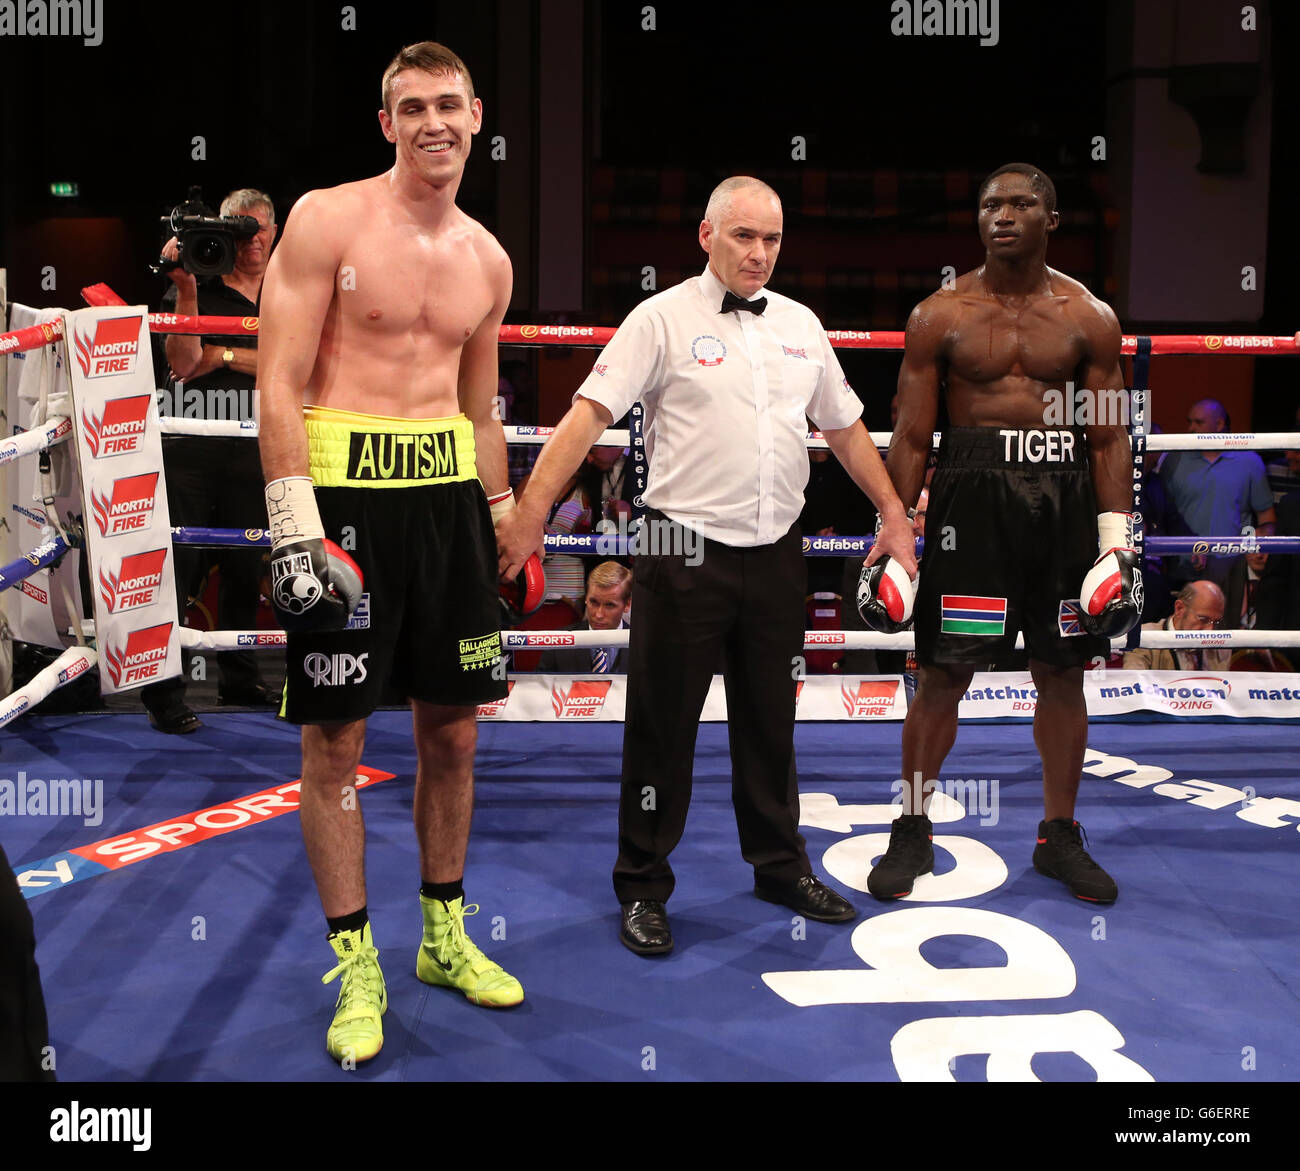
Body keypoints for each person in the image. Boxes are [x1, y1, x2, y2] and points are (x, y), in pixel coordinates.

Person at [497, 176, 917, 955]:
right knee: (662, 726)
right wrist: (529, 513)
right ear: (706, 235)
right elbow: (588, 414)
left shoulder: (800, 325)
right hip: (678, 544)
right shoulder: (659, 319)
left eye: (771, 240)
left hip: (776, 552)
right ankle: (643, 884)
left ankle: (780, 864)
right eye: (743, 236)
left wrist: (893, 511)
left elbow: (849, 427)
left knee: (771, 722)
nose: (759, 253)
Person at [257, 41, 521, 1066]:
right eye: (411, 108)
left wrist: (501, 512)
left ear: (476, 114)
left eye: (448, 105)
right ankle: (355, 961)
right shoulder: (328, 219)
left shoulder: (488, 259)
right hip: (343, 508)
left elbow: (479, 403)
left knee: (452, 735)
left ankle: (443, 937)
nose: (433, 124)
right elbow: (277, 382)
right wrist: (293, 527)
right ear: (386, 123)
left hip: (447, 506)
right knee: (336, 745)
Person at [869, 163, 1140, 906]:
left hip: (1062, 501)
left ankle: (1059, 833)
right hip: (970, 504)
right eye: (991, 204)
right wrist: (896, 528)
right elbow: (913, 432)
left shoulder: (1088, 316)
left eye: (1022, 204)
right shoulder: (939, 315)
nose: (1004, 216)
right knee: (943, 670)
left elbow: (1109, 440)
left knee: (1062, 670)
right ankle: (914, 824)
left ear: (1051, 219)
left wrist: (1115, 537)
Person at [140, 188, 280, 733]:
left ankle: (240, 678)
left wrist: (223, 355)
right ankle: (164, 694)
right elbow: (182, 364)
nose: (248, 241)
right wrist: (185, 289)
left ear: (272, 232)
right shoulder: (198, 282)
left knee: (247, 570)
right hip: (192, 453)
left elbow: (300, 361)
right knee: (182, 571)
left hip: (254, 450)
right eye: (236, 230)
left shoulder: (287, 293)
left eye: (256, 230)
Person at [1160, 398, 1276, 588]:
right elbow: (1162, 515)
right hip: (1181, 565)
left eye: (1199, 422)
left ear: (1220, 424)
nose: (1191, 428)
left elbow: (1266, 519)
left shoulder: (1249, 461)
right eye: (1189, 422)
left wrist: (1255, 557)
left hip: (1233, 566)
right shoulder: (1175, 460)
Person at [536, 561, 631, 672]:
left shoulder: (641, 647)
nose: (599, 614)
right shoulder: (559, 642)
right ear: (586, 598)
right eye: (594, 602)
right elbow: (539, 687)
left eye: (609, 605)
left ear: (627, 605)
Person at [1123, 581, 1231, 672]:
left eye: (1216, 622)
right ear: (1179, 609)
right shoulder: (1143, 639)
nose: (1210, 630)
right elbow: (1134, 688)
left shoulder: (1220, 647)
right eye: (1203, 619)